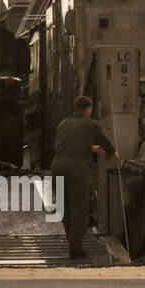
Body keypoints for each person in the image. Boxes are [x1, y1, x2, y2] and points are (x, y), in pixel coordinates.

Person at [50, 96, 120, 259]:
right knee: (78, 208)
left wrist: (90, 148)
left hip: (57, 166)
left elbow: (65, 144)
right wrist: (114, 153)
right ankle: (75, 248)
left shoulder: (63, 123)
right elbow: (104, 141)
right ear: (88, 108)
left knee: (64, 207)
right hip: (76, 167)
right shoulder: (91, 124)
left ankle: (72, 241)